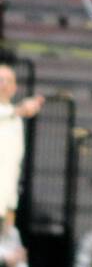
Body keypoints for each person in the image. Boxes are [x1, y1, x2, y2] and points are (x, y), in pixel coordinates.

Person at [0, 64, 44, 217]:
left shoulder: (15, 119)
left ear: (14, 87)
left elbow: (12, 163)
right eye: (0, 80)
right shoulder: (15, 113)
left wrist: (11, 205)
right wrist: (21, 110)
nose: (3, 85)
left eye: (8, 81)